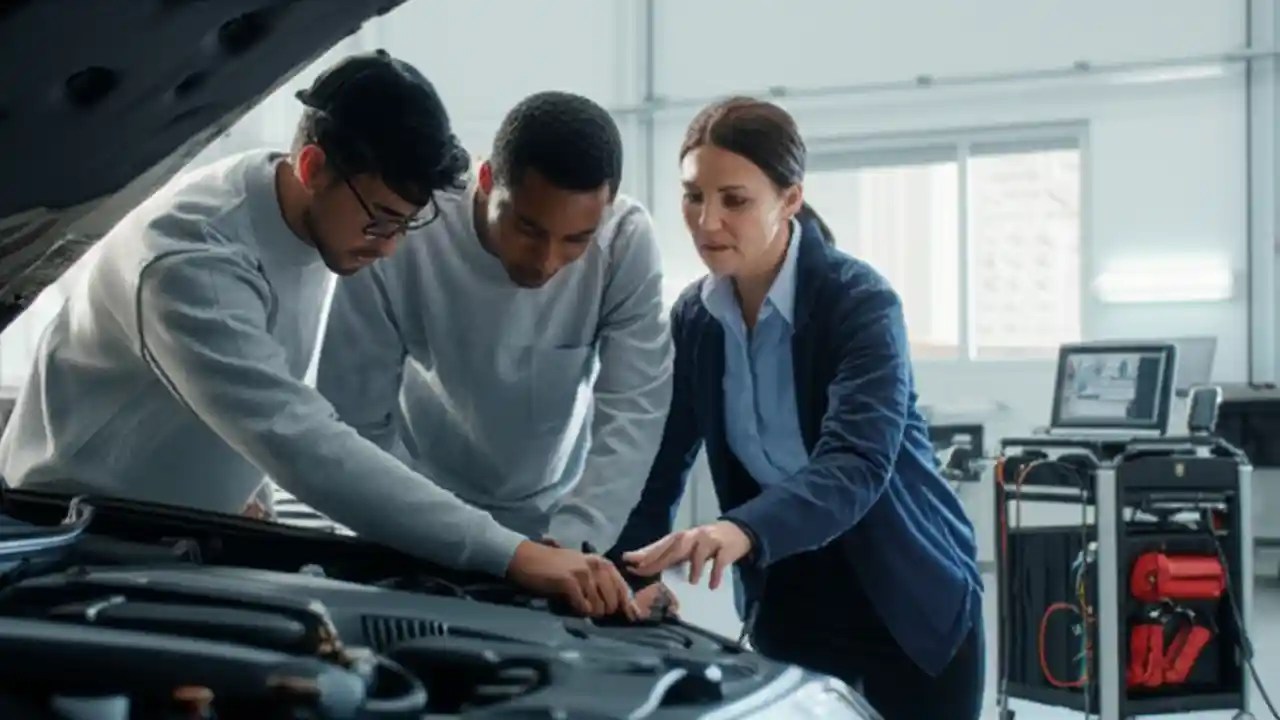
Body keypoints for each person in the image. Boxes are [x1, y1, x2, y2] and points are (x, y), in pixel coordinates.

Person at [0, 51, 636, 619]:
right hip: (71, 542)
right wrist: (513, 554)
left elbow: (254, 404)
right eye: (380, 221)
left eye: (405, 226)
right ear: (312, 165)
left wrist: (245, 490)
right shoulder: (191, 262)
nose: (388, 249)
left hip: (183, 536)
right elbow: (297, 435)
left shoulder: (310, 218)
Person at [609, 97, 986, 718]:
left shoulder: (859, 303)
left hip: (903, 595)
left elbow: (856, 463)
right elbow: (661, 458)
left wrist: (741, 529)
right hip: (790, 596)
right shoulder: (696, 318)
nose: (707, 222)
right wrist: (632, 568)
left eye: (735, 200)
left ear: (789, 200)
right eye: (692, 196)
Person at [315, 91, 672, 587]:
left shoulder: (626, 241)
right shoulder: (409, 227)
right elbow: (354, 416)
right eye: (528, 227)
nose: (547, 261)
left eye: (576, 240)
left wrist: (573, 541)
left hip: (556, 522)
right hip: (416, 509)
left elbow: (634, 409)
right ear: (485, 180)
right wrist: (425, 532)